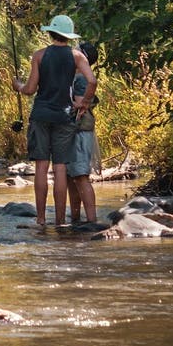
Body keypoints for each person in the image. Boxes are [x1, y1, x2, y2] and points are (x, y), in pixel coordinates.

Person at [12, 14, 97, 227]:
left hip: (41, 115)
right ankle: (60, 221)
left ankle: (41, 219)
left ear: (50, 33)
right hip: (64, 117)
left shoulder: (39, 56)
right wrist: (84, 102)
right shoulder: (78, 57)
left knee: (41, 167)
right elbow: (92, 80)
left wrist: (18, 86)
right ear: (68, 36)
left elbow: (30, 90)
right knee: (60, 168)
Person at [67, 42, 102, 225]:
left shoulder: (80, 79)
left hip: (79, 132)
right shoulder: (78, 77)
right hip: (75, 131)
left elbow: (80, 104)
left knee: (80, 176)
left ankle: (91, 221)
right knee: (71, 177)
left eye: (76, 51)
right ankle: (75, 218)